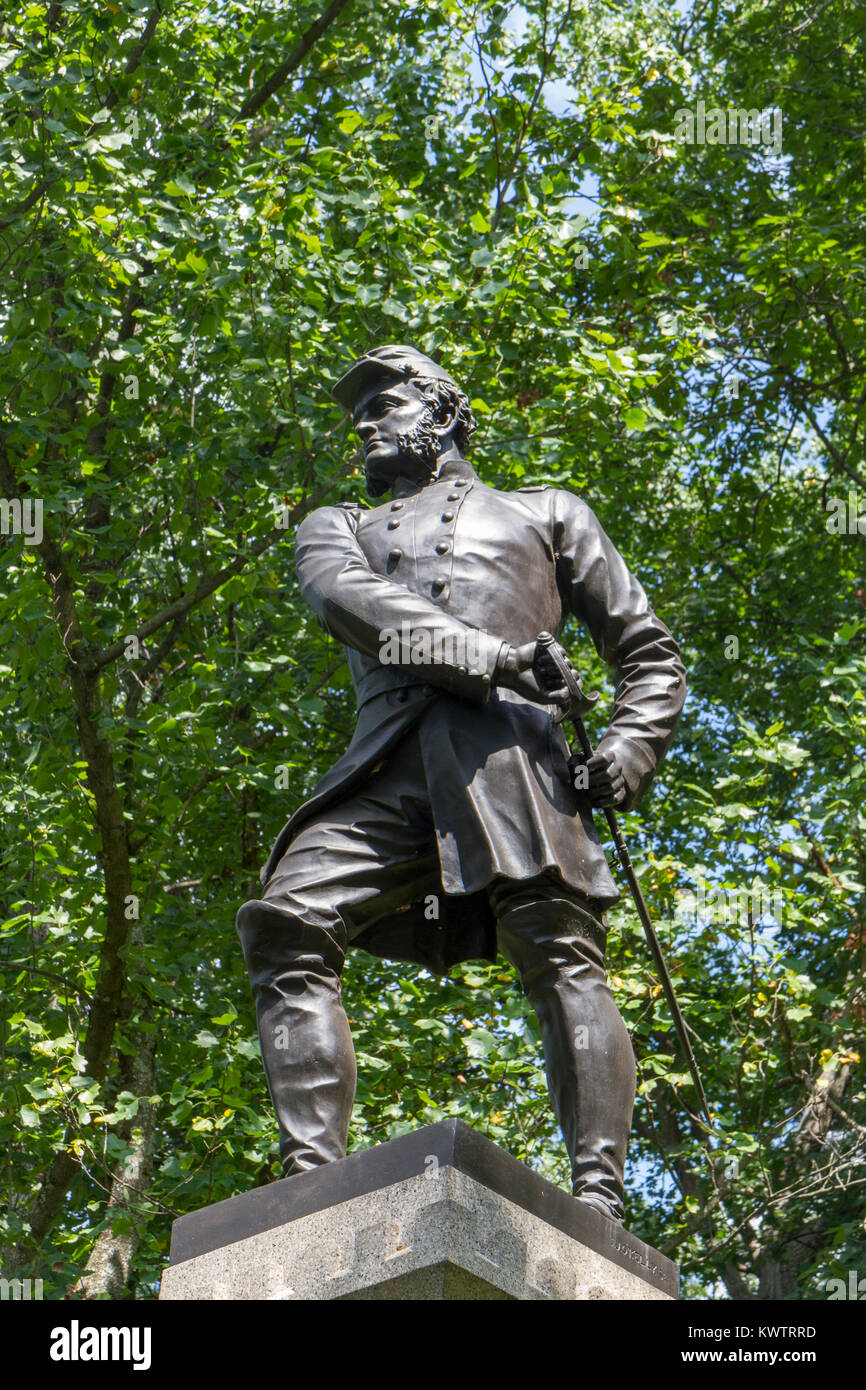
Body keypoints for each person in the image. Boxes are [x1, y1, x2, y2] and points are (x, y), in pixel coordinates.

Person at [235, 345, 686, 1223]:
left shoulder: (548, 512)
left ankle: (597, 1199)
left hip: (512, 760)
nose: (365, 425)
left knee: (558, 950)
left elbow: (649, 652)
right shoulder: (335, 527)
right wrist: (498, 658)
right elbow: (352, 604)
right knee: (287, 921)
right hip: (386, 766)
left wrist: (628, 752)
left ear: (442, 412)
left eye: (386, 404)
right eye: (356, 415)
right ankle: (306, 1181)